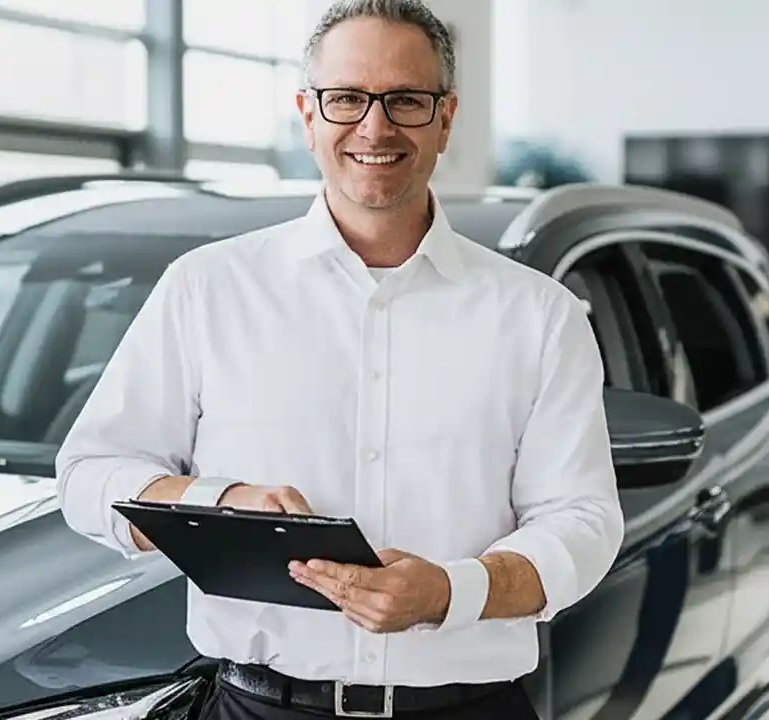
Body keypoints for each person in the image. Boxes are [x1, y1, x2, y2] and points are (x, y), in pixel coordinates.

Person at [54, 1, 625, 717]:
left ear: (445, 118)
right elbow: (88, 476)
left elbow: (582, 521)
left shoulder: (539, 316)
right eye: (347, 98)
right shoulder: (208, 288)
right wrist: (224, 504)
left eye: (406, 101)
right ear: (308, 113)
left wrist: (451, 592)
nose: (375, 127)